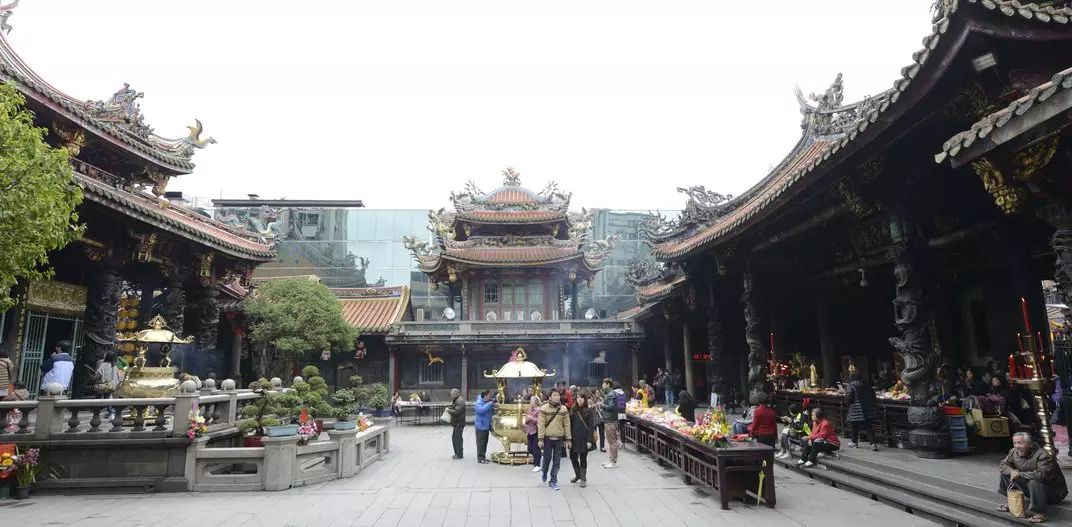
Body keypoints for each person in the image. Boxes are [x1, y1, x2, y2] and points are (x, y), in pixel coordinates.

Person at [997, 432, 1068, 523]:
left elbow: (1041, 475)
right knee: (1006, 474)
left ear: (1030, 444)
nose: (1017, 446)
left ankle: (1039, 512)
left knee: (1034, 481)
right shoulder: (1013, 452)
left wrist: (1019, 474)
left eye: (1020, 443)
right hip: (1032, 490)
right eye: (1015, 443)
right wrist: (1012, 472)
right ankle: (1012, 502)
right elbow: (1003, 465)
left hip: (1053, 493)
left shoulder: (1043, 455)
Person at [537, 389, 571, 490]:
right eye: (555, 395)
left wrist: (568, 439)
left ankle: (553, 480)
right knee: (547, 459)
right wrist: (540, 439)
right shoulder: (544, 409)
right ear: (550, 397)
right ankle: (544, 471)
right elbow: (541, 425)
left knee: (557, 461)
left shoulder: (563, 409)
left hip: (559, 439)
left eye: (558, 395)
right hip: (547, 439)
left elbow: (567, 425)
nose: (557, 397)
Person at [845, 370, 879, 451]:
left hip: (855, 409)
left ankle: (854, 442)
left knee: (854, 426)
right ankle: (873, 444)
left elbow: (849, 397)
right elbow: (872, 395)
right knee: (869, 426)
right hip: (867, 408)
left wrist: (847, 402)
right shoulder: (866, 385)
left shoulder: (851, 385)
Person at [568, 390, 596, 488]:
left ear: (585, 399)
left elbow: (591, 427)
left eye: (581, 398)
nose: (579, 399)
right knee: (572, 457)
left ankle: (583, 478)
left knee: (583, 458)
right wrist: (568, 439)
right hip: (574, 438)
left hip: (584, 438)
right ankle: (578, 475)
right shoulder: (572, 410)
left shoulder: (589, 411)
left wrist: (589, 440)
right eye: (578, 398)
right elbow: (569, 425)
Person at [600, 378, 621, 469]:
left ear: (608, 384)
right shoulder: (608, 393)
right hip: (608, 419)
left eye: (603, 383)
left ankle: (613, 461)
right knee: (610, 441)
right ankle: (610, 459)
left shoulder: (611, 394)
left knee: (612, 442)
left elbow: (611, 407)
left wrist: (602, 405)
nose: (602, 385)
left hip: (610, 420)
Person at [96, 351, 121, 421]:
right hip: (111, 385)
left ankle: (98, 414)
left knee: (98, 399)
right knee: (107, 398)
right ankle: (111, 412)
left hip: (103, 385)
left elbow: (98, 375)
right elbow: (117, 377)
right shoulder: (114, 366)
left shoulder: (103, 365)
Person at [474, 389, 494, 464]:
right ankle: (480, 458)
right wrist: (489, 404)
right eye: (489, 395)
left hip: (486, 426)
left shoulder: (486, 402)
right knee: (480, 443)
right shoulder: (478, 403)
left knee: (485, 443)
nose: (490, 396)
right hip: (480, 427)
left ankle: (483, 456)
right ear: (485, 396)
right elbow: (481, 411)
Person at [445, 388, 466, 460]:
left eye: (452, 394)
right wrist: (450, 408)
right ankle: (457, 453)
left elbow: (457, 411)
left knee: (458, 439)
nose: (451, 395)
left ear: (455, 394)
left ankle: (459, 454)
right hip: (457, 422)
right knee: (454, 438)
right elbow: (454, 407)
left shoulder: (460, 401)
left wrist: (449, 410)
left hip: (459, 423)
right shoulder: (457, 399)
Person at [524, 395, 542, 472]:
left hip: (536, 431)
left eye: (532, 401)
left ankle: (537, 465)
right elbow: (527, 420)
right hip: (529, 431)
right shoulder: (529, 409)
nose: (530, 402)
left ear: (536, 402)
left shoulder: (539, 410)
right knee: (530, 449)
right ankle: (539, 457)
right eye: (530, 401)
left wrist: (532, 418)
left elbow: (540, 421)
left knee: (536, 449)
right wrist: (527, 420)